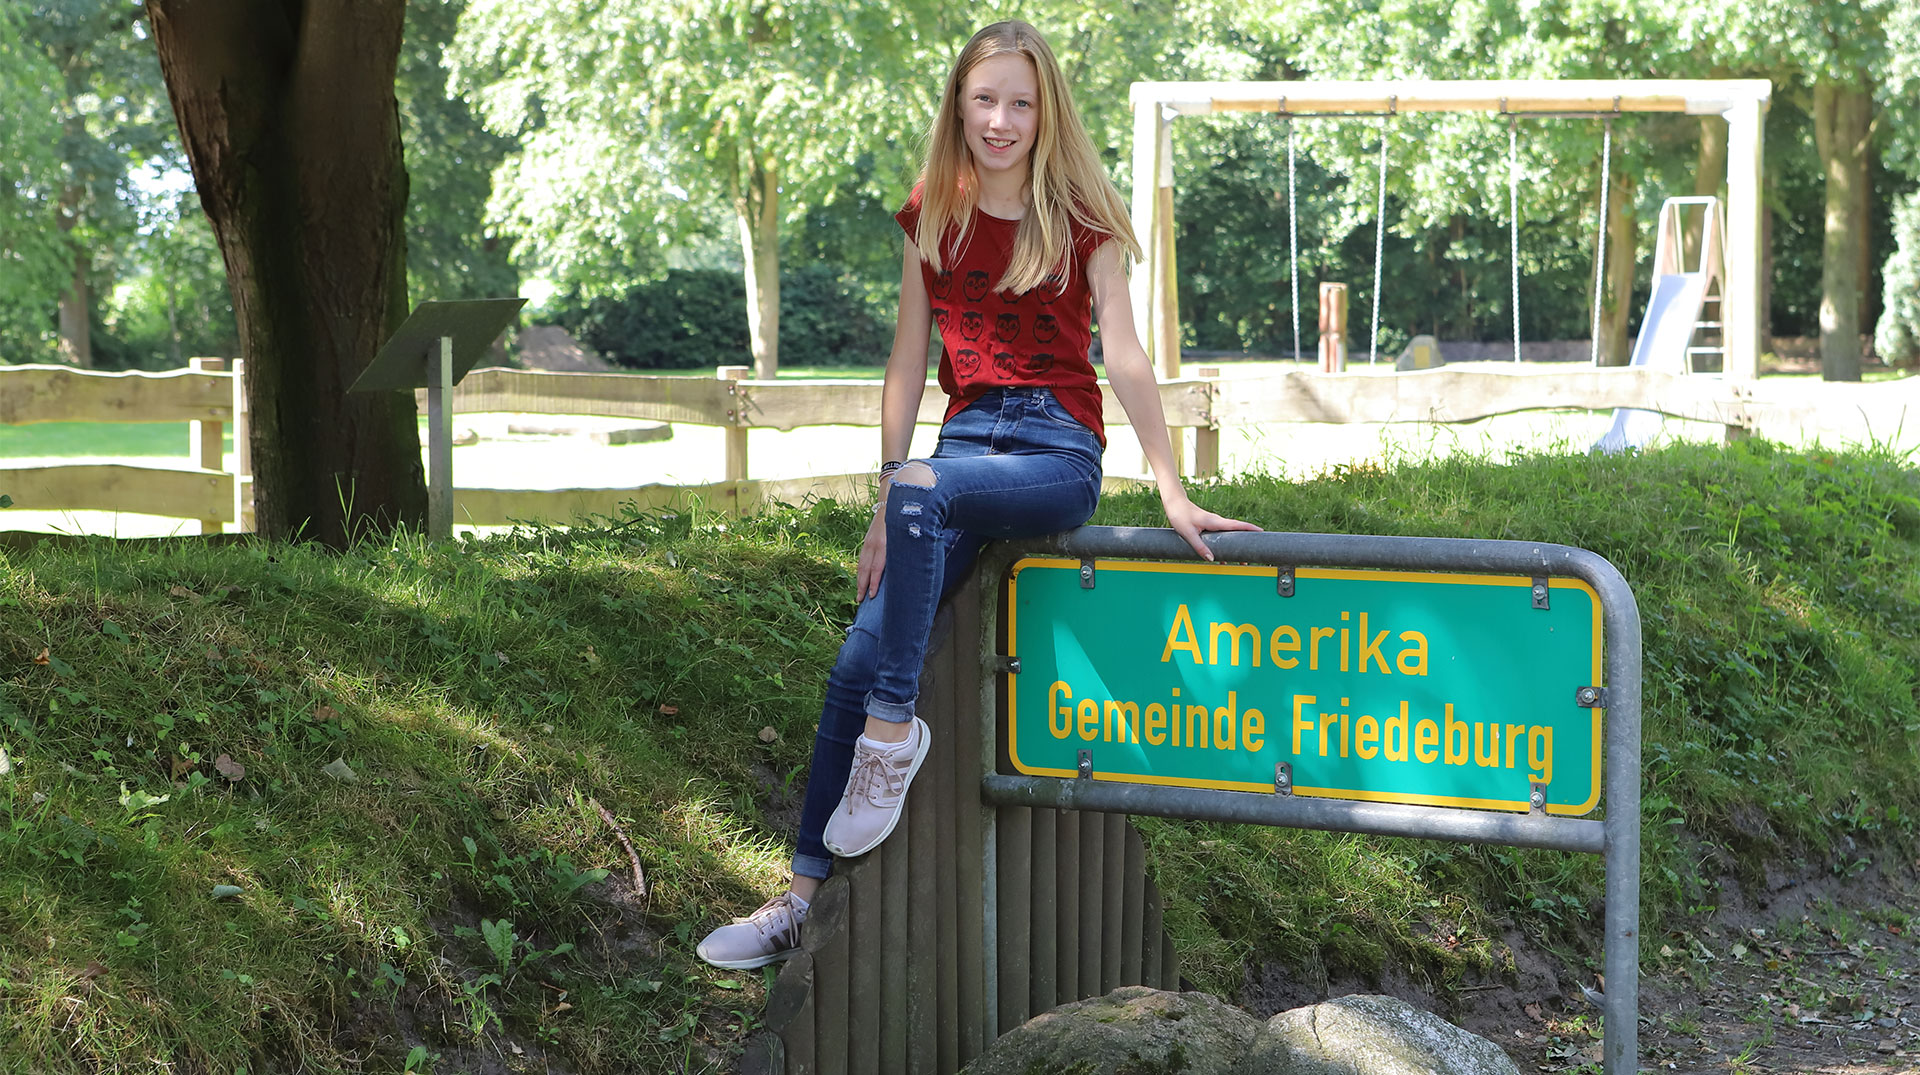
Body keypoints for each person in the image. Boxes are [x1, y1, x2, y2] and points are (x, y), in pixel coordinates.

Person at [696, 19, 1259, 971]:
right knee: (850, 660)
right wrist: (889, 496)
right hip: (954, 455)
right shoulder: (935, 213)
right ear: (959, 103)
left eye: (1021, 102)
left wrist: (1171, 487)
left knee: (911, 539)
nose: (1001, 120)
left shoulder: (1084, 217)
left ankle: (892, 731)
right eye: (985, 99)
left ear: (1047, 113)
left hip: (1053, 448)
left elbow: (1123, 354)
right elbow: (909, 356)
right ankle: (797, 899)